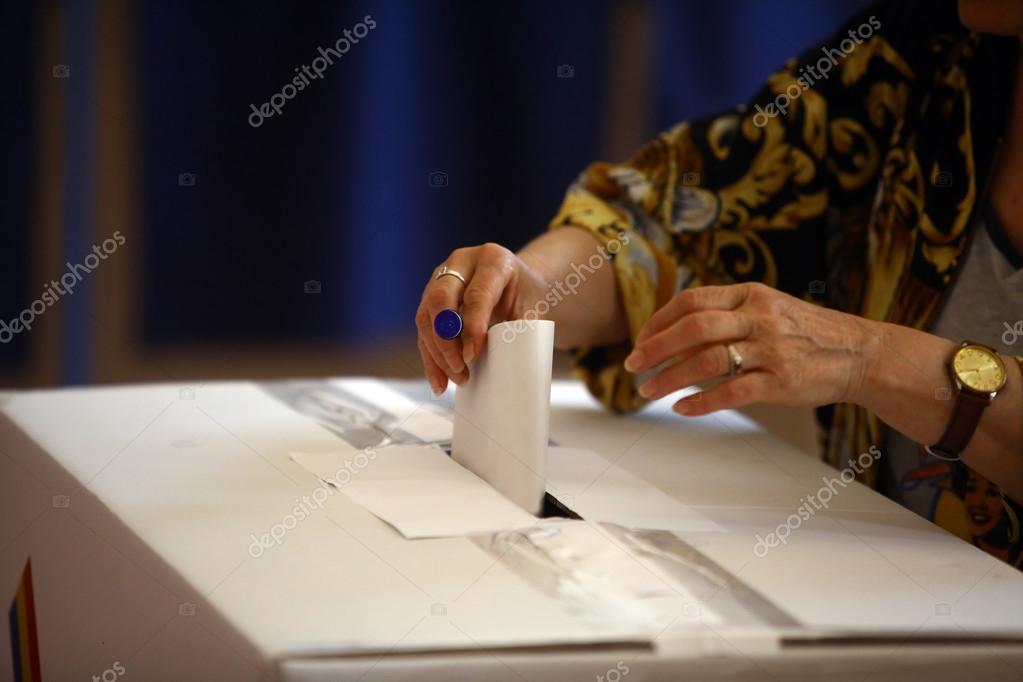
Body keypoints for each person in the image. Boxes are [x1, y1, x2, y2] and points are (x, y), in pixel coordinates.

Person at [415, 0, 1023, 568]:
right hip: (865, 581)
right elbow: (688, 216)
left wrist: (872, 359)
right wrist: (529, 281)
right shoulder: (927, 46)